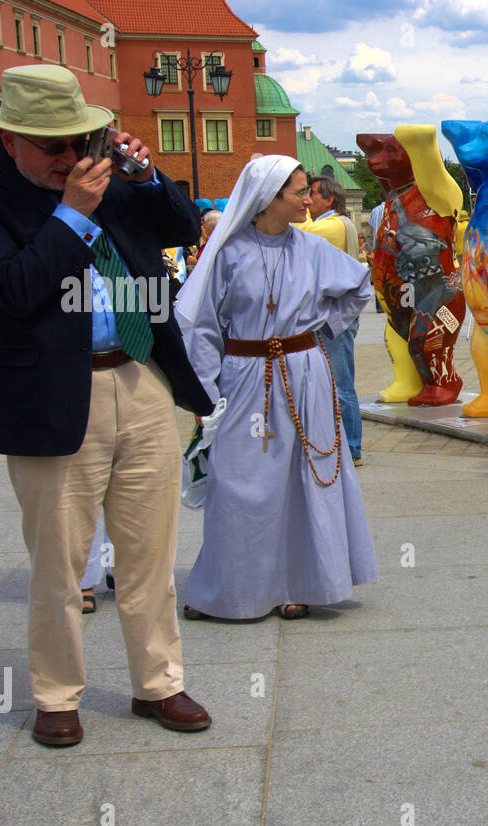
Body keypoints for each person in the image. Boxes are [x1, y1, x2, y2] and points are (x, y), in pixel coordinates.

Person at [0, 64, 216, 747]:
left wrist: (147, 178)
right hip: (54, 390)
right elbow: (12, 290)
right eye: (54, 147)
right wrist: (73, 214)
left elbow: (182, 228)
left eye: (81, 140)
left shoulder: (106, 168)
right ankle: (57, 695)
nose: (71, 158)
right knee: (60, 561)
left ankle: (159, 683)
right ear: (12, 141)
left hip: (141, 372)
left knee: (150, 550)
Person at [177, 155, 377, 621]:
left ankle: (300, 585)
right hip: (244, 374)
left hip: (306, 373)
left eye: (308, 190)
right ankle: (232, 589)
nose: (309, 198)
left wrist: (320, 331)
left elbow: (359, 287)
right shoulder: (226, 252)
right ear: (269, 198)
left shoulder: (312, 249)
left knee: (303, 476)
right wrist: (203, 395)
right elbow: (204, 326)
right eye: (299, 191)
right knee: (238, 481)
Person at [298, 175, 364, 465]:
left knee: (341, 384)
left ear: (329, 199)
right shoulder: (339, 223)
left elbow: (299, 231)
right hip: (337, 313)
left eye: (311, 194)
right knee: (338, 381)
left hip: (336, 315)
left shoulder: (331, 226)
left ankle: (352, 448)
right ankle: (346, 444)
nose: (307, 200)